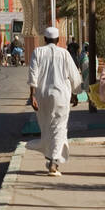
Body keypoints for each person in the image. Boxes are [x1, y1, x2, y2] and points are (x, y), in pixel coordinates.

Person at [27, 26, 83, 175]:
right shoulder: (64, 53)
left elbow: (33, 74)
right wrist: (76, 93)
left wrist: (32, 95)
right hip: (61, 95)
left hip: (42, 95)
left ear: (44, 39)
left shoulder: (37, 52)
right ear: (58, 40)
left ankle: (51, 157)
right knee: (59, 127)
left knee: (46, 126)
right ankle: (54, 161)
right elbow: (74, 76)